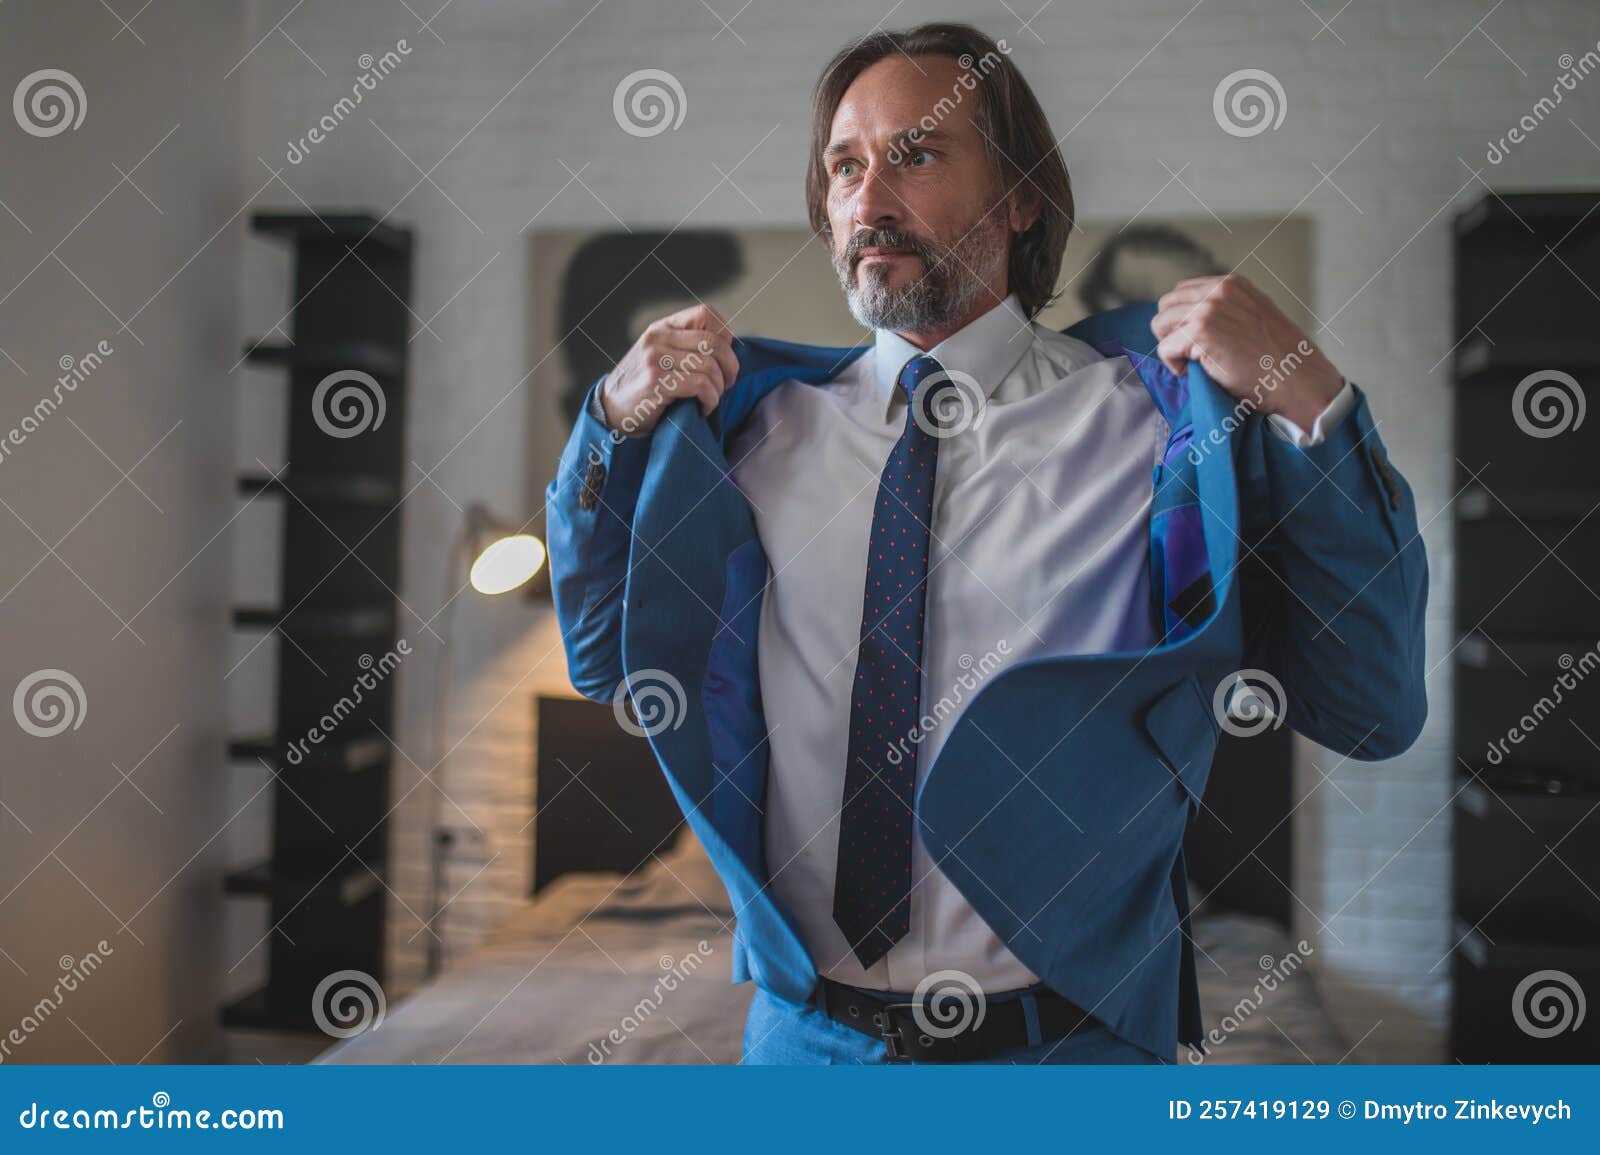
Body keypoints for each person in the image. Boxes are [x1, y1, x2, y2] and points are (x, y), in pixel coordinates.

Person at [547, 21, 1427, 1065]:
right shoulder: (746, 434)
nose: (868, 198)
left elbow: (1371, 705)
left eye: (914, 155)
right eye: (843, 165)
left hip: (1067, 1060)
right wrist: (606, 416)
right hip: (801, 1053)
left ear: (1019, 199)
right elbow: (602, 656)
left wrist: (1313, 396)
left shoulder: (1159, 431)